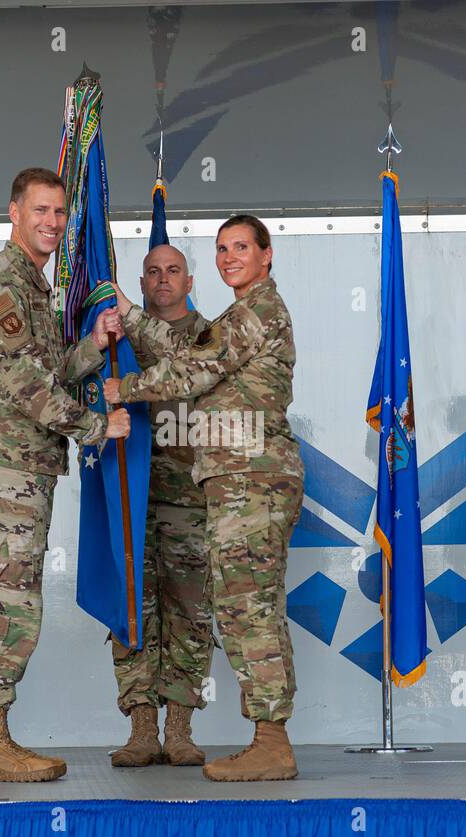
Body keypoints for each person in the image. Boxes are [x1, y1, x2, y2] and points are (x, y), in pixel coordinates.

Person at [103, 214, 305, 782]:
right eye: (221, 248)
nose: (229, 256)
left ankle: (271, 742)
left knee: (248, 609)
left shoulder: (257, 310)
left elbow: (190, 368)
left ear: (267, 255)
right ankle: (269, 739)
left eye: (241, 247)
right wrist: (133, 315)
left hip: (252, 479)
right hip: (239, 481)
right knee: (248, 607)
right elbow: (183, 345)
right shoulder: (238, 315)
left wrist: (128, 388)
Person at [0, 167, 128, 782]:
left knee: (14, 600)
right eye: (40, 211)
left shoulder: (32, 285)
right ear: (14, 212)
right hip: (2, 469)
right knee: (4, 599)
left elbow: (46, 369)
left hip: (20, 467)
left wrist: (93, 346)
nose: (52, 223)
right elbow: (26, 386)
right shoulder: (4, 283)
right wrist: (94, 427)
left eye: (59, 213)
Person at [106, 244, 216, 768]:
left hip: (190, 500)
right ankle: (141, 727)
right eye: (153, 273)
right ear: (141, 282)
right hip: (131, 494)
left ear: (189, 281)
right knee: (132, 610)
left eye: (173, 271)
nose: (163, 280)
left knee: (190, 611)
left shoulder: (211, 336)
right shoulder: (117, 340)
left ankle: (180, 726)